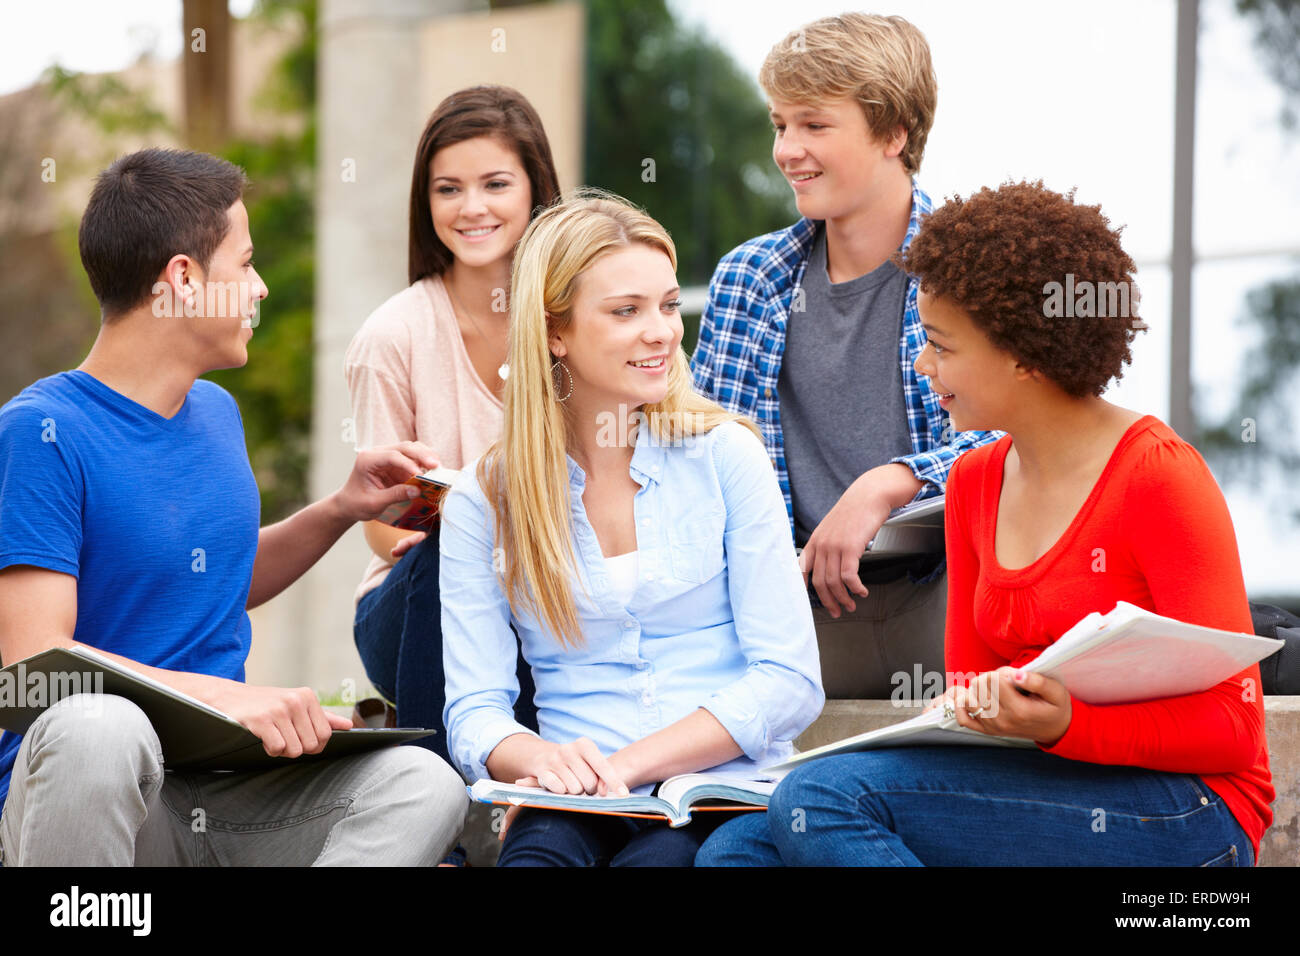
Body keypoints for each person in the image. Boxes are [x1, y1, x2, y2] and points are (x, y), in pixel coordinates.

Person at [696, 181, 1274, 867]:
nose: (923, 364)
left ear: (1023, 354)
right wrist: (975, 713)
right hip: (1050, 785)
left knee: (820, 800)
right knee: (735, 851)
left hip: (1193, 810)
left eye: (941, 345)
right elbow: (973, 695)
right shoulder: (973, 483)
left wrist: (1068, 723)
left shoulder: (1159, 476)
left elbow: (1235, 728)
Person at [0, 147, 467, 866]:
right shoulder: (41, 433)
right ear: (184, 280)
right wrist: (222, 701)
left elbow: (213, 584)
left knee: (420, 784)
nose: (261, 288)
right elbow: (35, 663)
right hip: (98, 798)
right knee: (101, 727)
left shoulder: (215, 413)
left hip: (223, 794)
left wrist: (340, 509)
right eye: (244, 264)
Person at [439, 193, 825, 867]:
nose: (663, 332)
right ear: (554, 332)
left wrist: (626, 767)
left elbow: (790, 680)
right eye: (627, 311)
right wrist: (540, 762)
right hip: (574, 797)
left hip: (715, 790)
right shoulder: (485, 497)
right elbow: (474, 708)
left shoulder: (727, 456)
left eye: (669, 305)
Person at [691, 14, 1001, 700]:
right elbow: (702, 462)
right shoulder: (750, 281)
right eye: (780, 124)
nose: (787, 149)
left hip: (954, 598)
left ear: (894, 133)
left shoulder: (974, 270)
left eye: (814, 125)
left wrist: (891, 482)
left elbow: (1020, 442)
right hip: (794, 619)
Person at [345, 86, 560, 761]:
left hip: (552, 594)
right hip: (415, 603)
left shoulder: (575, 320)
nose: (472, 208)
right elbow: (383, 528)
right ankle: (435, 818)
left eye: (495, 183)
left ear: (534, 190)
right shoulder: (394, 336)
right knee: (451, 550)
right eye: (448, 189)